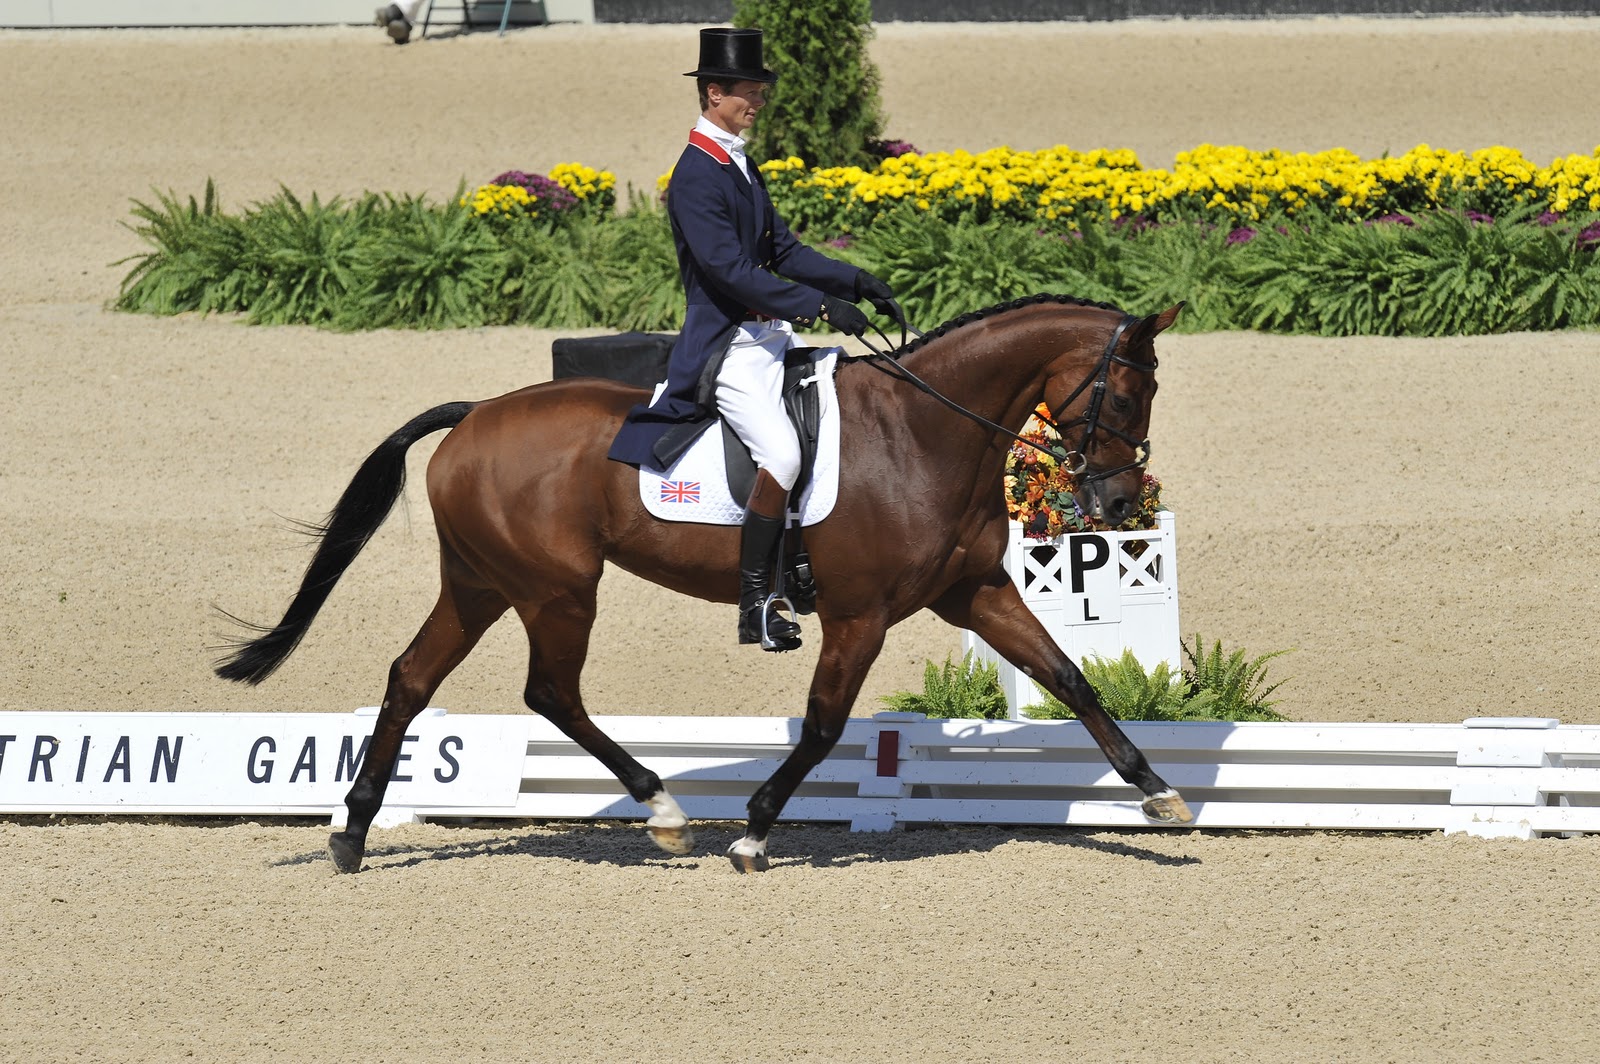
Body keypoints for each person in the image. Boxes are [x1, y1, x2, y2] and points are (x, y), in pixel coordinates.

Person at [607, 26, 896, 652]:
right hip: (727, 348)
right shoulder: (694, 175)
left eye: (761, 92)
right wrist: (821, 304)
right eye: (749, 93)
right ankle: (756, 602)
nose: (758, 103)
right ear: (714, 93)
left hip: (768, 339)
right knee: (784, 455)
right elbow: (731, 273)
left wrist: (857, 280)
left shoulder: (738, 162)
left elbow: (781, 249)